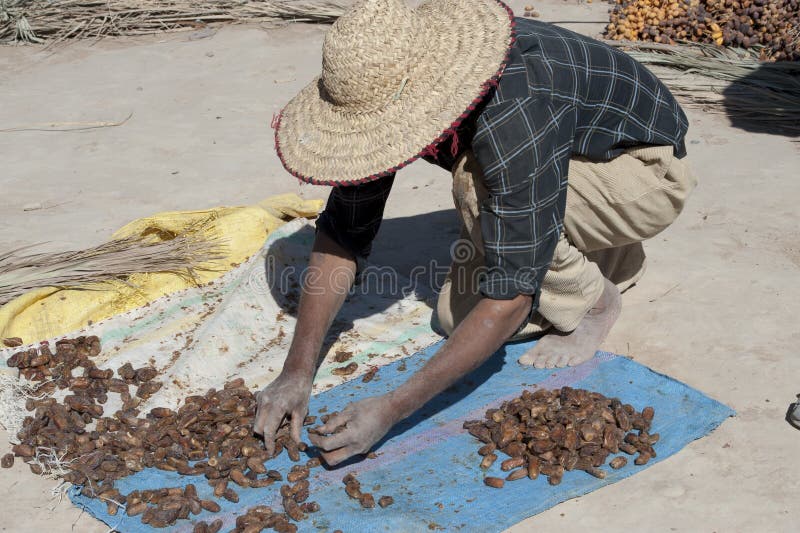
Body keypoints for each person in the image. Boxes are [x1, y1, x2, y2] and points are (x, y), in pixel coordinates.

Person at [255, 0, 696, 466]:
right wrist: (296, 371)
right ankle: (599, 245)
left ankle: (593, 300)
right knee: (455, 316)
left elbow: (510, 299)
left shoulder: (512, 110)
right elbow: (343, 232)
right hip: (577, 153)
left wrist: (391, 408)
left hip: (645, 175)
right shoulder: (396, 75)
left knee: (475, 185)